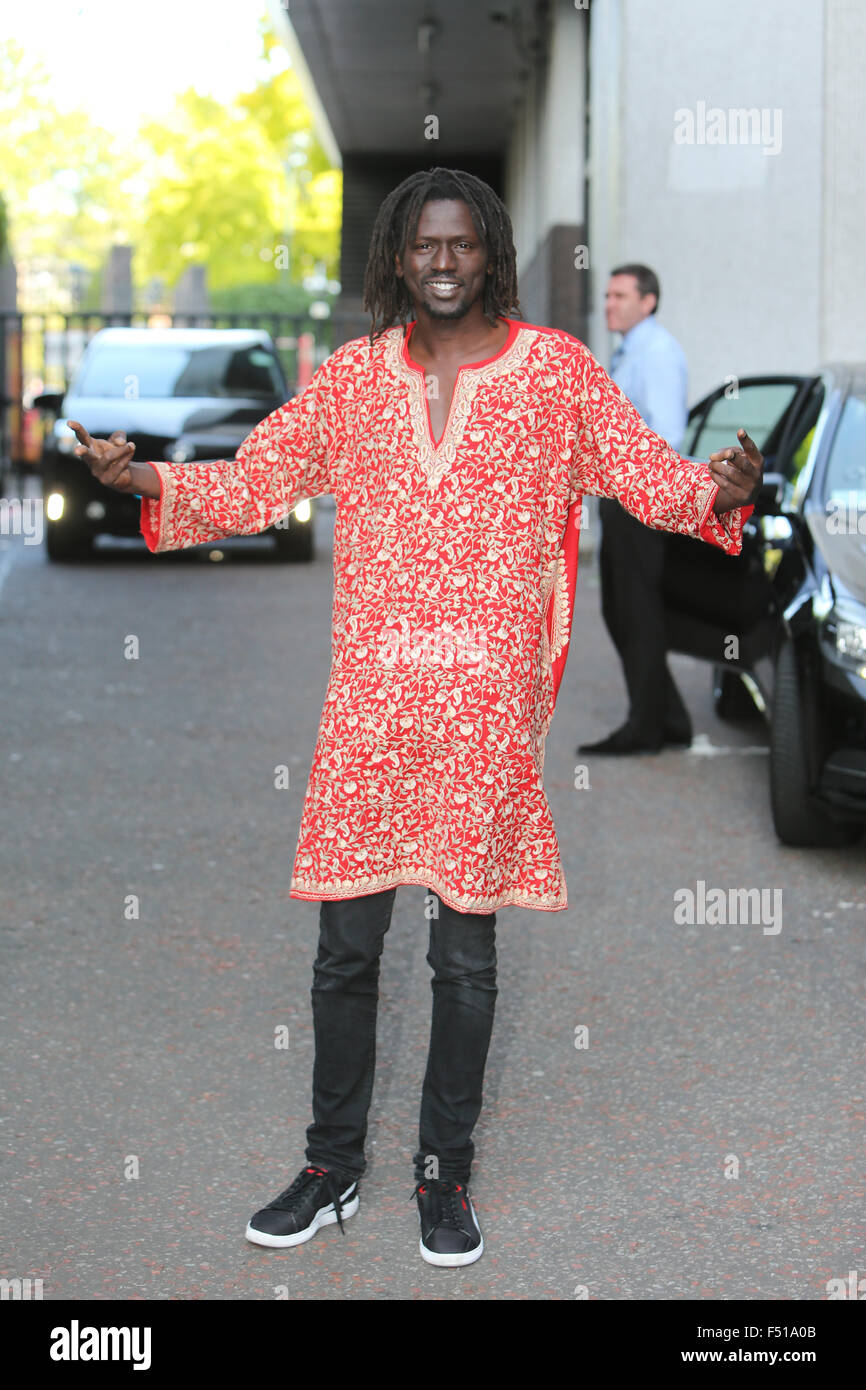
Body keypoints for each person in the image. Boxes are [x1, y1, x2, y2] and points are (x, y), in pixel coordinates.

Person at [68, 167, 763, 1269]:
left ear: (488, 250)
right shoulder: (351, 380)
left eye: (460, 245)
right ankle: (329, 1167)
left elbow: (646, 476)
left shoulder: (553, 376)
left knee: (464, 962)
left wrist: (718, 492)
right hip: (369, 708)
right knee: (344, 955)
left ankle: (444, 1177)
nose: (442, 263)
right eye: (422, 247)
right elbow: (257, 477)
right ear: (397, 258)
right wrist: (148, 480)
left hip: (486, 711)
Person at [579, 263, 694, 755]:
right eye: (607, 295)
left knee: (635, 612)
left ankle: (644, 728)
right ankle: (669, 719)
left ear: (648, 301)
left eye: (621, 296)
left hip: (638, 503)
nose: (610, 304)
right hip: (622, 499)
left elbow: (666, 434)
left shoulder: (656, 352)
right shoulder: (630, 352)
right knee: (622, 610)